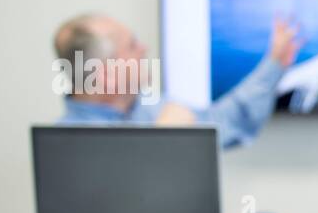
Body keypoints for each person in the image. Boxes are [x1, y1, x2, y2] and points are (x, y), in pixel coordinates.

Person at [52, 13, 300, 149]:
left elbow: (226, 122)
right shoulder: (67, 147)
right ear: (105, 73)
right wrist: (164, 144)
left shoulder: (153, 108)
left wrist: (274, 63)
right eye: (132, 46)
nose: (144, 49)